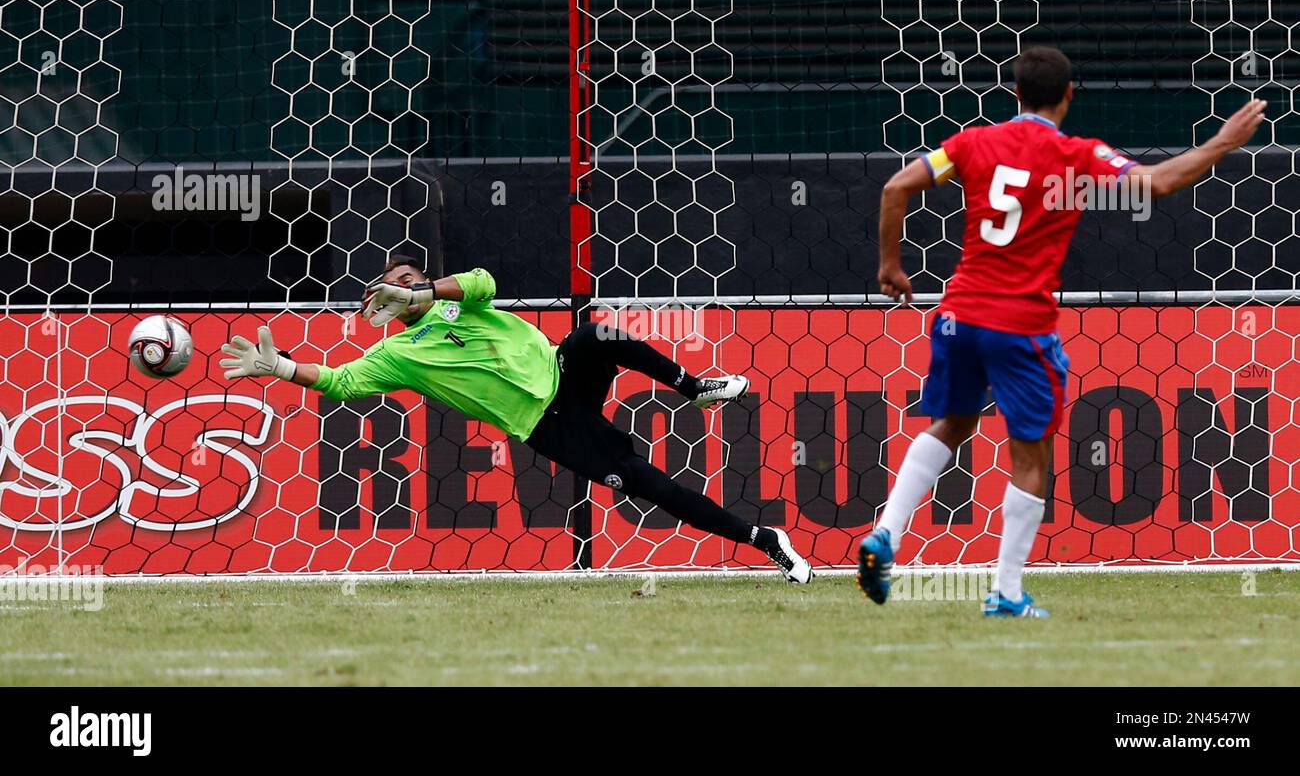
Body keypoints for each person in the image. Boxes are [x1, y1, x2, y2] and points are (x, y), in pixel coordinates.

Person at [861, 46, 1266, 617]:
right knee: (1031, 456)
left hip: (958, 315)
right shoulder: (1076, 156)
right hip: (1019, 326)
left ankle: (887, 533)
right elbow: (1157, 183)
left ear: (1014, 95)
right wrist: (1223, 142)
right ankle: (1004, 593)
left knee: (951, 423)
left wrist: (889, 266)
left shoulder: (970, 144)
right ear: (1069, 95)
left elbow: (895, 187)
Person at [221, 256, 813, 583]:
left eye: (409, 281)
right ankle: (765, 541)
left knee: (595, 334)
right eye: (391, 287)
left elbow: (485, 281)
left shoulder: (452, 300)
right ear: (377, 303)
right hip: (547, 425)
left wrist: (424, 290)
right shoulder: (393, 355)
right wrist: (280, 366)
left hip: (562, 371)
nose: (402, 290)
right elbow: (342, 382)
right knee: (647, 484)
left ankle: (694, 387)